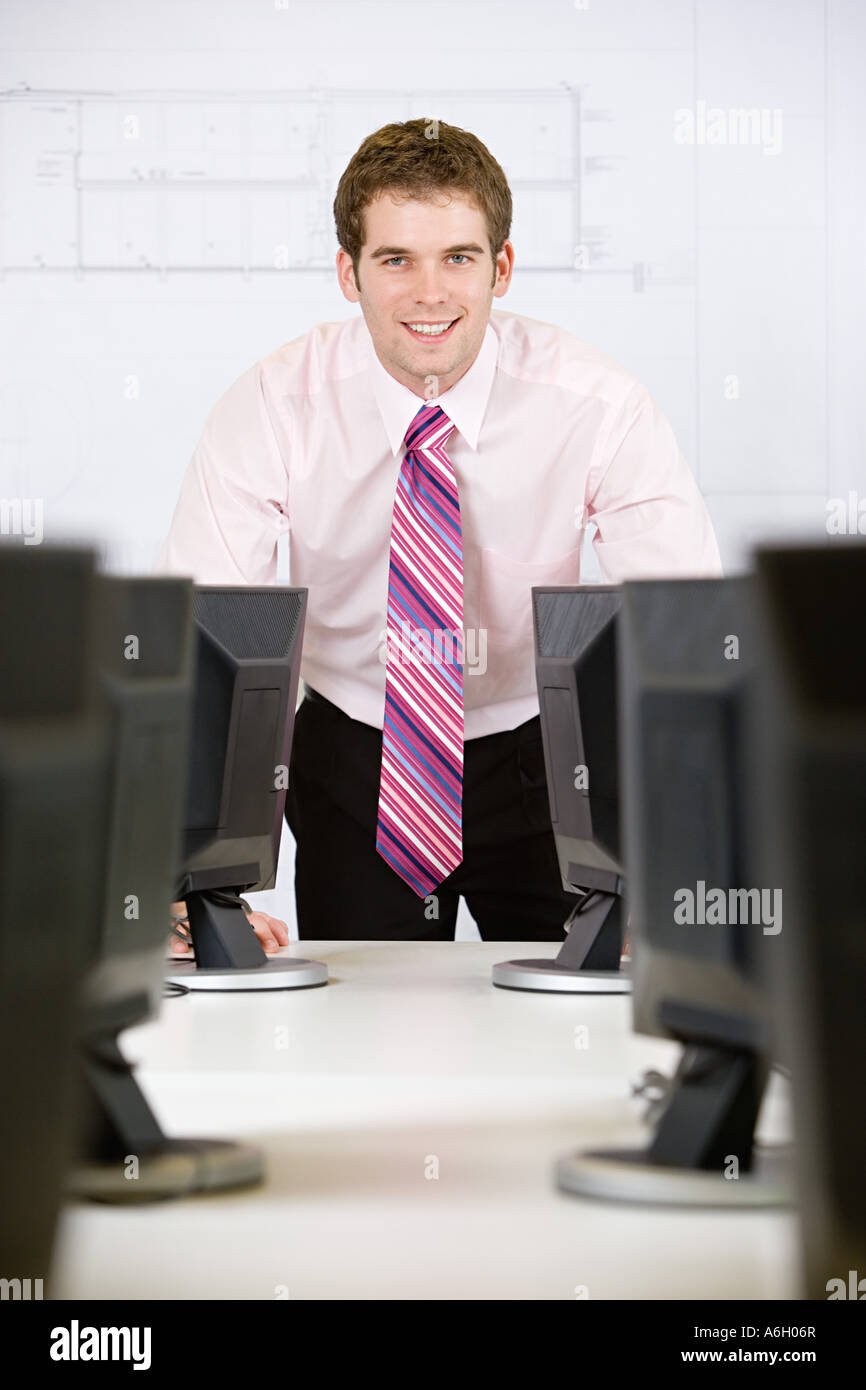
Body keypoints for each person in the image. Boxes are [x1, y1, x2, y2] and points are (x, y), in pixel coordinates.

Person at [158, 118, 722, 949]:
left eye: (458, 257)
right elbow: (204, 639)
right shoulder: (274, 406)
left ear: (502, 267)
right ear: (349, 273)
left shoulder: (599, 406)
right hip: (357, 755)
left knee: (577, 1005)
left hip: (541, 757)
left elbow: (684, 634)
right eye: (396, 260)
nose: (430, 294)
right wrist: (187, 881)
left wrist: (674, 866)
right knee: (365, 1009)